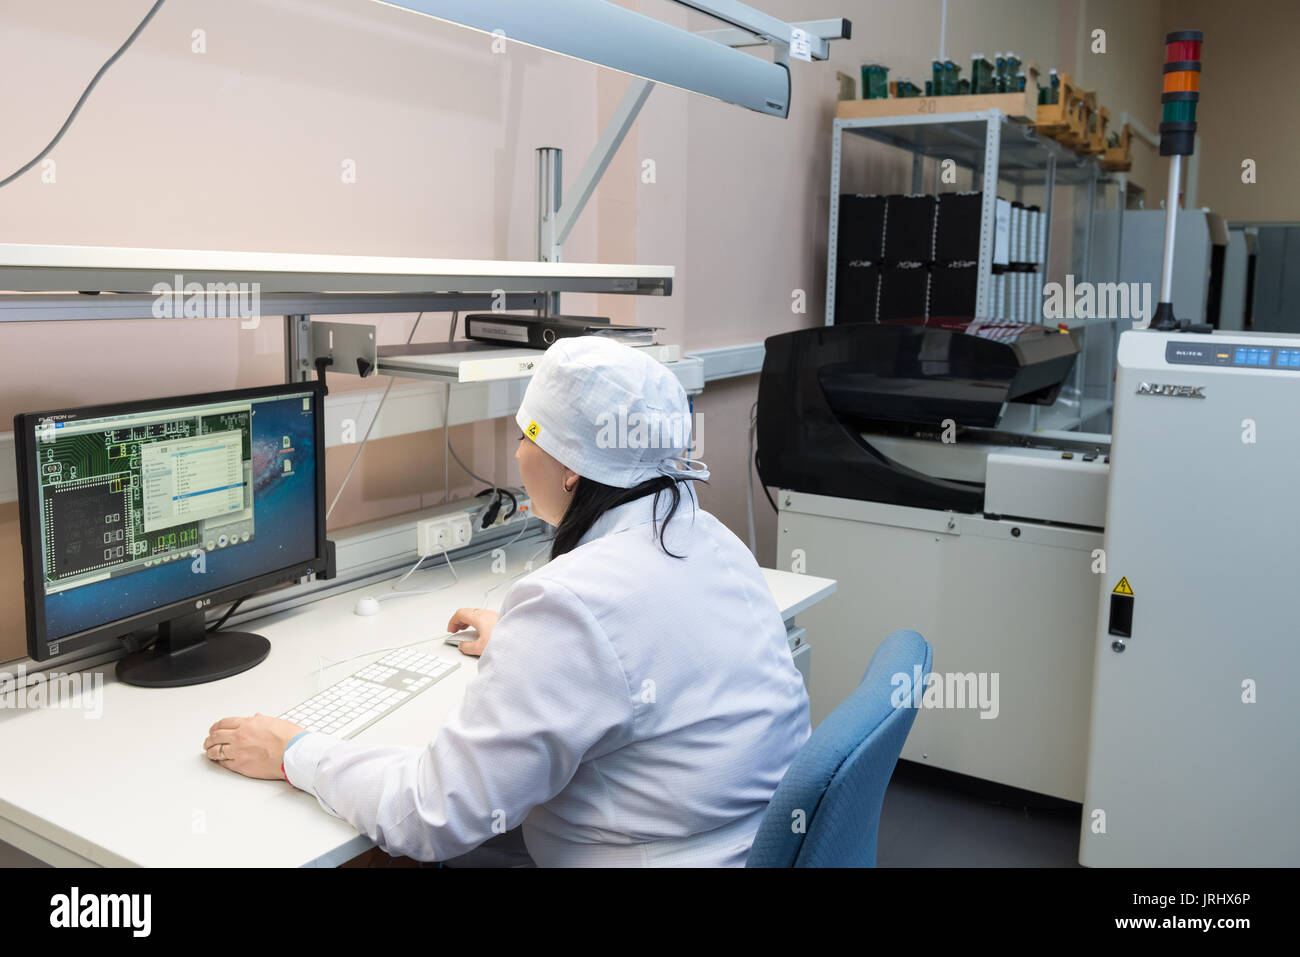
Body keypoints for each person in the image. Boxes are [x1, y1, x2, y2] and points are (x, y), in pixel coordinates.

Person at [203, 336, 810, 866]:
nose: (517, 454)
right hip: (745, 844)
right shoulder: (706, 534)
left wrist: (296, 754)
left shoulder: (576, 604)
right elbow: (642, 649)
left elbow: (434, 817)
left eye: (526, 434)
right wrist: (529, 643)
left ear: (570, 466)